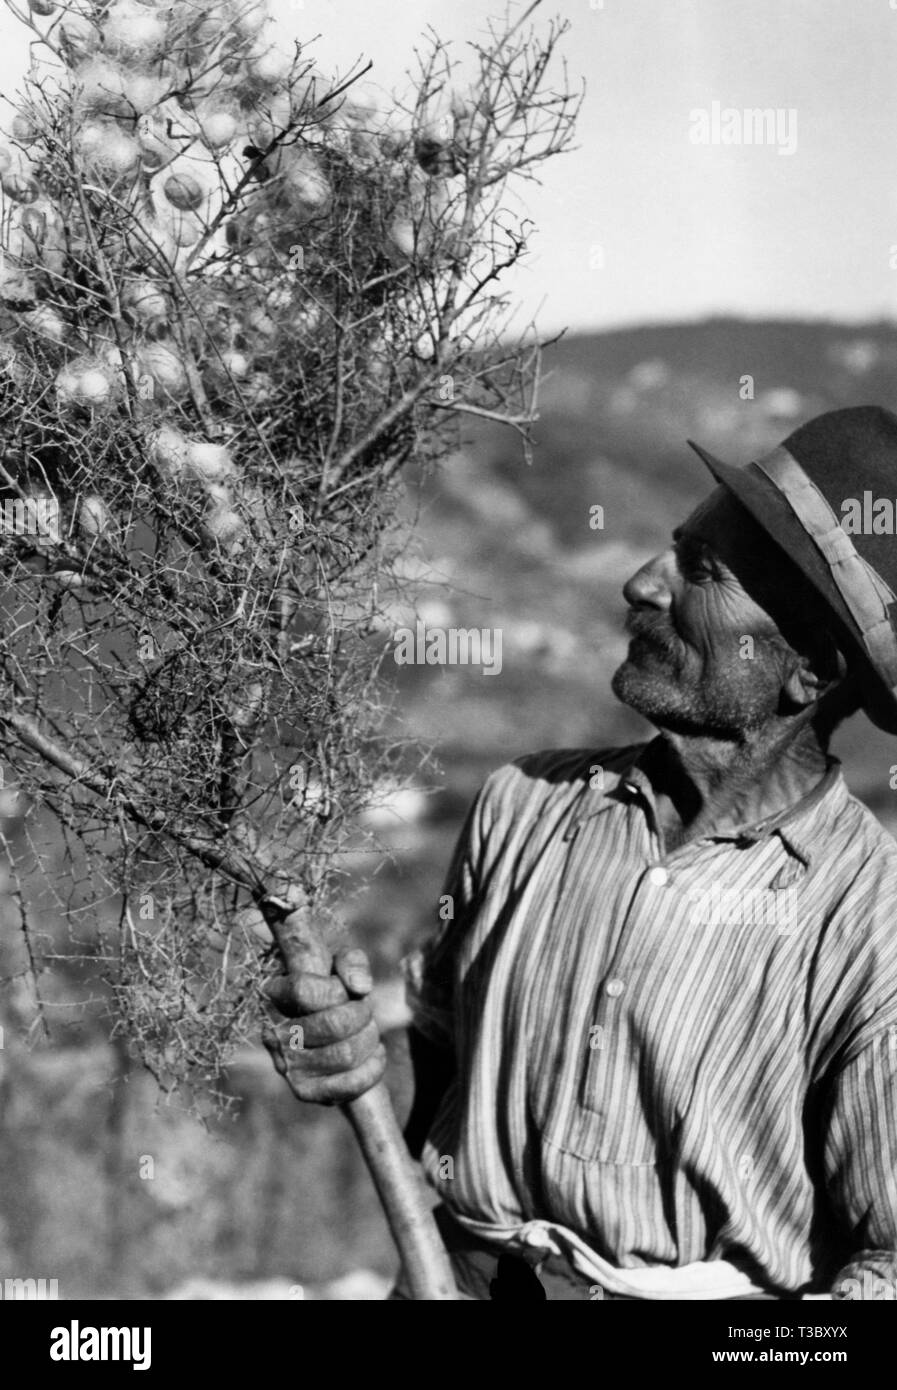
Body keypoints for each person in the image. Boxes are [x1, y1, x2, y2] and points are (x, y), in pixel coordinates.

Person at [265, 406, 897, 1300]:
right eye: (673, 547)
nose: (643, 582)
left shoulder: (870, 924)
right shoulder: (523, 804)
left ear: (809, 671)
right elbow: (442, 1074)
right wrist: (357, 1056)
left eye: (701, 570)